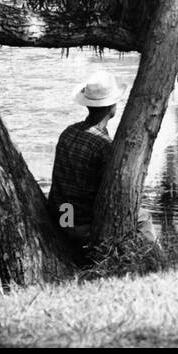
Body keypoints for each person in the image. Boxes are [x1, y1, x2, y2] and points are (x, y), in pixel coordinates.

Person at [47, 69, 122, 245]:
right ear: (112, 107)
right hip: (81, 226)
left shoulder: (68, 132)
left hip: (60, 218)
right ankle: (157, 266)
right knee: (143, 218)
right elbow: (113, 191)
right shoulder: (104, 145)